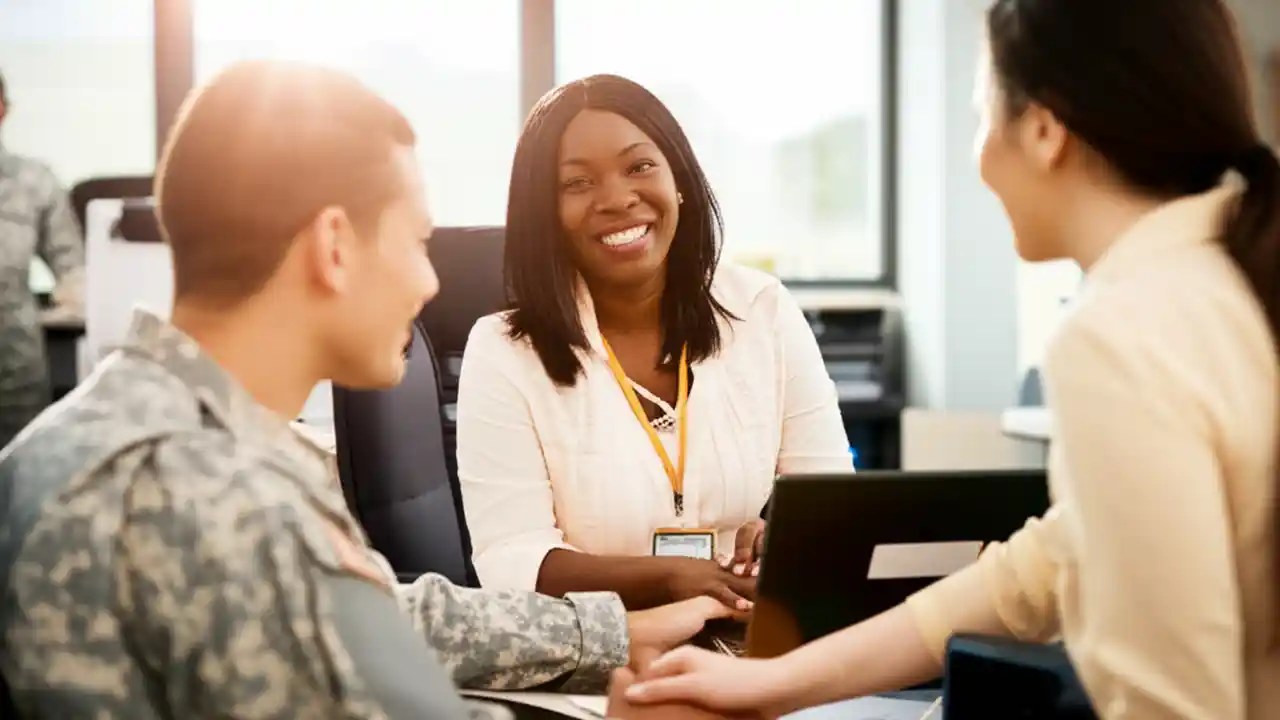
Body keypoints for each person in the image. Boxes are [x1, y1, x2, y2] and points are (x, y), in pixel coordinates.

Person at [0, 60, 731, 720]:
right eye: (416, 242)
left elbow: (373, 614)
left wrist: (607, 634)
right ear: (334, 247)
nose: (430, 282)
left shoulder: (117, 431)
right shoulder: (222, 497)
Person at [621, 0, 1280, 717]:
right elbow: (1042, 569)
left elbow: (1172, 704)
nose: (978, 156)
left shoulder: (1124, 332)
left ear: (1042, 130)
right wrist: (771, 681)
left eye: (979, 115)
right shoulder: (1232, 276)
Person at [455, 74, 852, 610]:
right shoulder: (504, 351)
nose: (617, 199)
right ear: (544, 214)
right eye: (577, 183)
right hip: (595, 659)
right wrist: (670, 579)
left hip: (745, 633)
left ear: (679, 179)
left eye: (639, 166)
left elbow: (835, 504)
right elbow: (512, 560)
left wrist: (784, 534)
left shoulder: (762, 311)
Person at [0, 68, 84, 447]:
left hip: (15, 370)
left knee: (19, 482)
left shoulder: (34, 181)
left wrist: (73, 303)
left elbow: (72, 266)